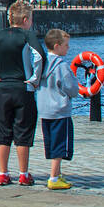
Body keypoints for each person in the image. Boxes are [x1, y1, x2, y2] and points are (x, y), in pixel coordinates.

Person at [0, 0, 46, 186]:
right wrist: (35, 79)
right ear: (24, 19)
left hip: (3, 87)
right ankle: (23, 174)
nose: (31, 22)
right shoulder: (27, 36)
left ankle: (3, 173)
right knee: (23, 131)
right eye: (30, 18)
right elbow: (39, 56)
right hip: (23, 88)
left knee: (2, 131)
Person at [36, 28, 77, 190]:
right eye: (66, 45)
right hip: (60, 111)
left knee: (51, 143)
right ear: (58, 45)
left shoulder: (41, 63)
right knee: (60, 144)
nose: (68, 48)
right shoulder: (62, 67)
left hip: (44, 110)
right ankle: (53, 177)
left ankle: (57, 174)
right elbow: (72, 89)